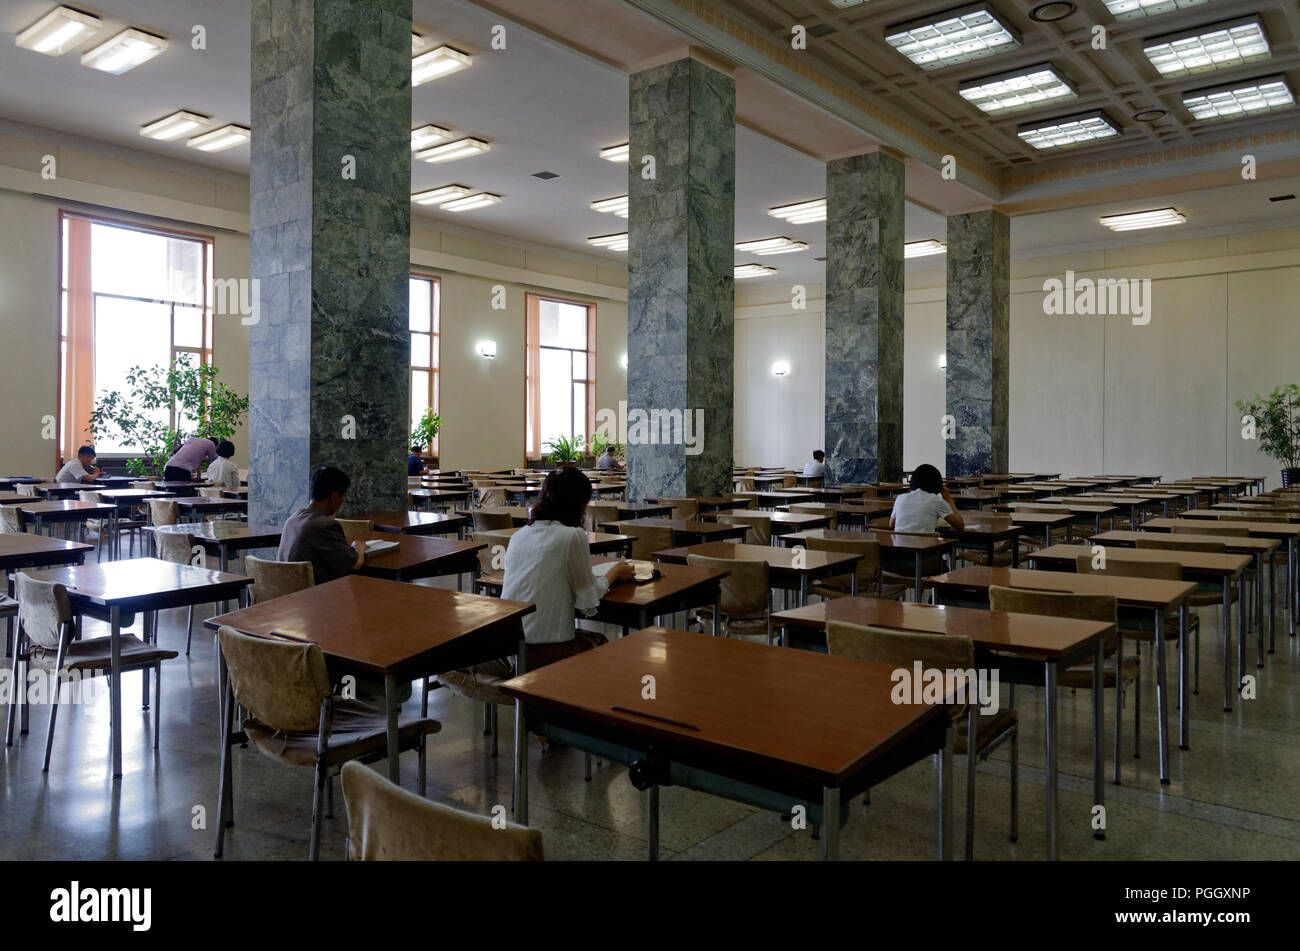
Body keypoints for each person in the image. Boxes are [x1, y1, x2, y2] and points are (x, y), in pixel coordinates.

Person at [277, 466, 364, 583]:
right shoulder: (325, 526)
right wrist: (359, 548)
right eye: (343, 497)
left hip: (285, 594)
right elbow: (354, 564)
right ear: (334, 497)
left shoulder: (292, 519)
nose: (343, 502)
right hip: (313, 596)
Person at [889, 464, 965, 533]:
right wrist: (948, 499)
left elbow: (891, 525)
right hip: (925, 546)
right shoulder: (936, 501)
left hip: (899, 547)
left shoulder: (900, 498)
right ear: (937, 484)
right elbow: (960, 526)